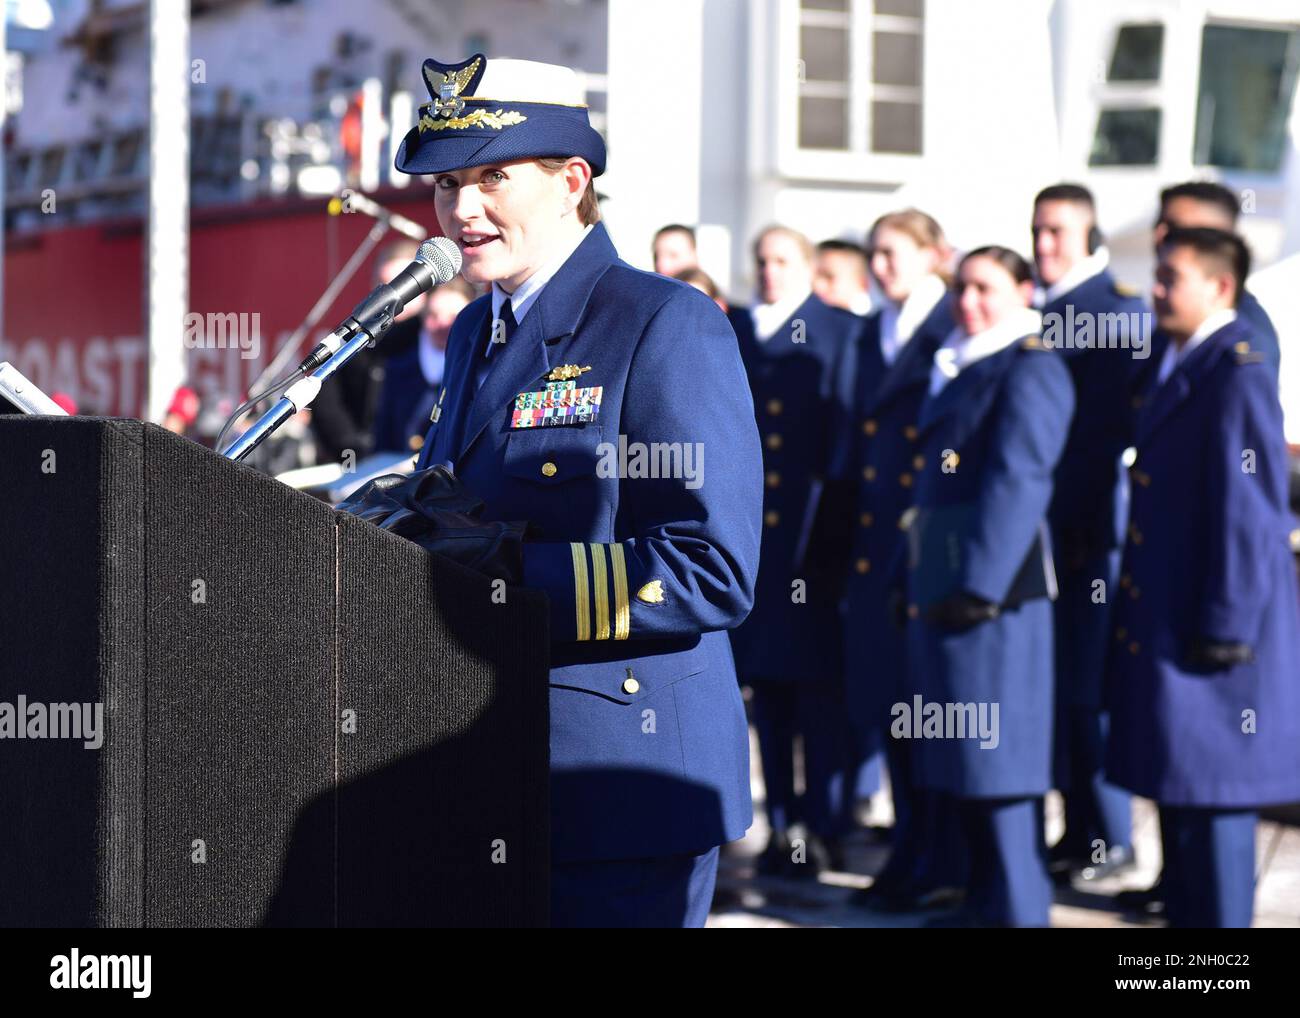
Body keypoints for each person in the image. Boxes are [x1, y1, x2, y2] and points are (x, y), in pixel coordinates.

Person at [394, 53, 762, 927]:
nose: (464, 210)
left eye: (493, 177)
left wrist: (506, 574)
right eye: (448, 185)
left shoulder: (664, 322)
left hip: (618, 786)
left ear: (571, 181)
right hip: (491, 764)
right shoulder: (476, 328)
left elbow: (711, 569)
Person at [1105, 228, 1300, 928]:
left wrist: (1225, 629)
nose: (1156, 290)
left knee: (1215, 814)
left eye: (1172, 277)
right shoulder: (1180, 356)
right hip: (1173, 622)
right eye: (1156, 275)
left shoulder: (1237, 370)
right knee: (1181, 805)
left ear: (1220, 286)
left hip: (1214, 637)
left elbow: (1251, 515)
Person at [906, 246, 1074, 928]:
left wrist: (979, 584)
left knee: (998, 766)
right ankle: (985, 906)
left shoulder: (1030, 365)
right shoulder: (961, 359)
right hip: (946, 582)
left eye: (985, 288)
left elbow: (1021, 479)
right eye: (960, 287)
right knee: (963, 766)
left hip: (995, 597)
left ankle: (1019, 912)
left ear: (1023, 291)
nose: (968, 301)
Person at [827, 209, 962, 910]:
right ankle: (910, 849)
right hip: (875, 543)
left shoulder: (950, 328)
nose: (881, 267)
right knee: (890, 702)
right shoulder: (867, 330)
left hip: (929, 542)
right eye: (873, 254)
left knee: (929, 708)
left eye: (893, 253)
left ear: (933, 255)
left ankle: (940, 859)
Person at [727, 224, 864, 876]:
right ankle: (782, 827)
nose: (770, 271)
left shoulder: (838, 330)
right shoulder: (738, 331)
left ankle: (828, 824)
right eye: (762, 260)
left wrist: (834, 543)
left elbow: (845, 443)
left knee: (820, 698)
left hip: (816, 539)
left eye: (783, 260)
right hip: (761, 542)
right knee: (772, 698)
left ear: (808, 267)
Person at [1030, 183, 1144, 884]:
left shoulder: (1107, 310)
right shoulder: (1047, 310)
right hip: (1048, 532)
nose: (1044, 245)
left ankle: (1112, 840)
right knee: (1063, 692)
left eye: (1058, 232)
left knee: (1088, 692)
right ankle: (1078, 834)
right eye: (1037, 230)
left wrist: (1061, 522)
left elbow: (1099, 439)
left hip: (1086, 534)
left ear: (1090, 235)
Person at [1149, 181, 1281, 387]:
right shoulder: (1175, 322)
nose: (1160, 237)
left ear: (1215, 237)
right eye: (1158, 225)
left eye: (1175, 229)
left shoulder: (1247, 344)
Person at [311, 239, 430, 462]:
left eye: (406, 285)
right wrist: (355, 451)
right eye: (387, 285)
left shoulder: (438, 336)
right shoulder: (352, 337)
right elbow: (326, 401)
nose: (397, 295)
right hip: (359, 464)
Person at [372, 276, 475, 455]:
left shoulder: (478, 369)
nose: (442, 324)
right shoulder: (397, 367)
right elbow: (384, 437)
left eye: (453, 316)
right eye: (434, 315)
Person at [814, 239, 873, 315]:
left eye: (829, 277)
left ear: (862, 284)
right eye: (813, 276)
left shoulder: (870, 325)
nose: (817, 284)